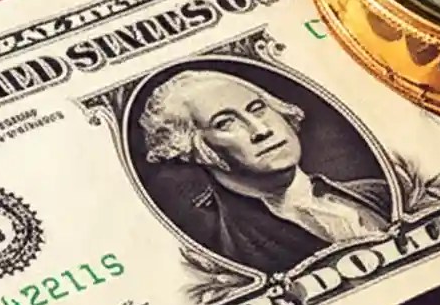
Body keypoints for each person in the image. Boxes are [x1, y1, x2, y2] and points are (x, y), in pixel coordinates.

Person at [139, 68, 393, 274]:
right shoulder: (234, 256)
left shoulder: (378, 193)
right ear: (193, 149)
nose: (261, 130)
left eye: (257, 108)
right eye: (225, 123)